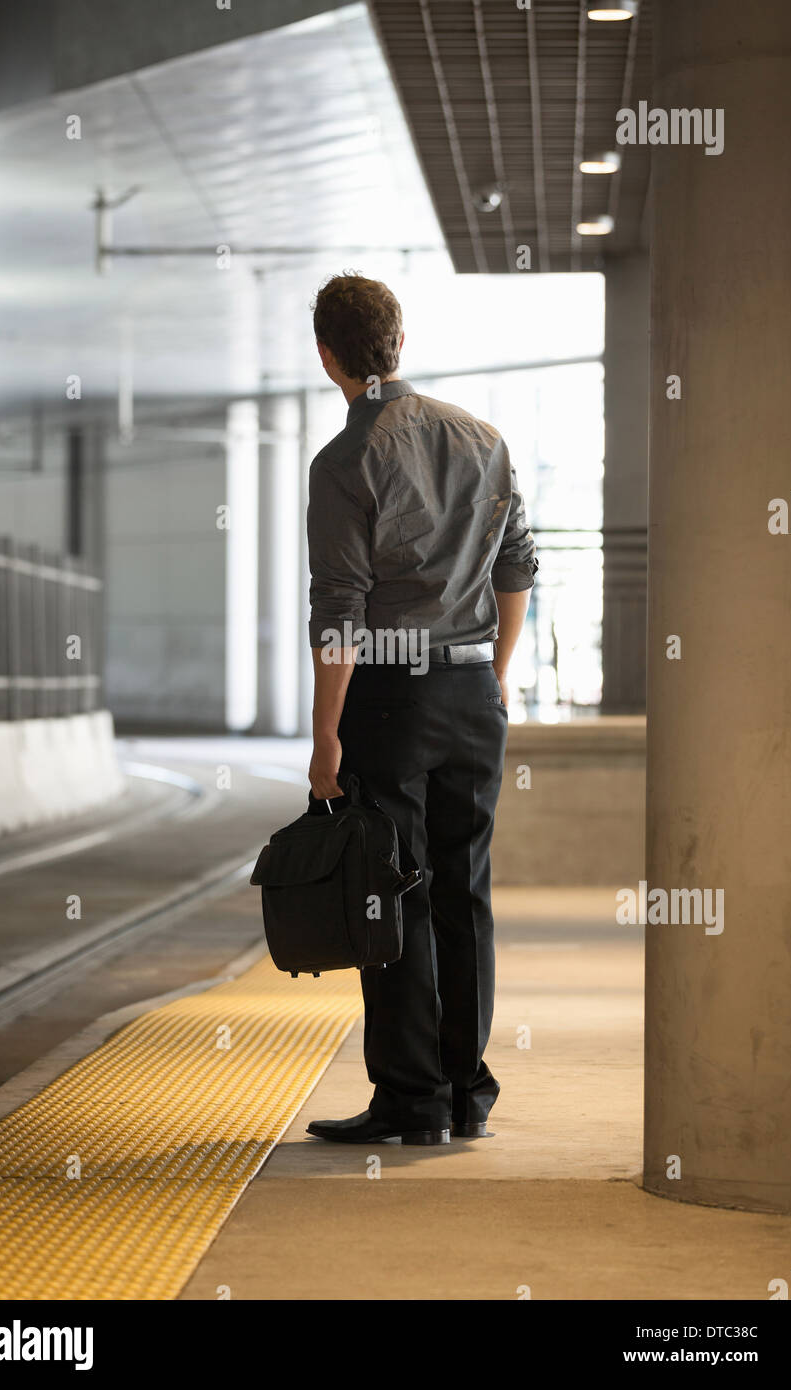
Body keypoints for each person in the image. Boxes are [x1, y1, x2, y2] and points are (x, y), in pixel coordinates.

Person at [305, 273, 537, 1145]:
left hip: (392, 699)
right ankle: (466, 1092)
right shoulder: (483, 438)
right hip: (474, 690)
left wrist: (327, 736)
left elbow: (342, 612)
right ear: (398, 343)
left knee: (389, 893)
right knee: (462, 890)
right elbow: (517, 567)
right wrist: (499, 672)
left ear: (327, 356)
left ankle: (411, 1101)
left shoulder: (344, 461)